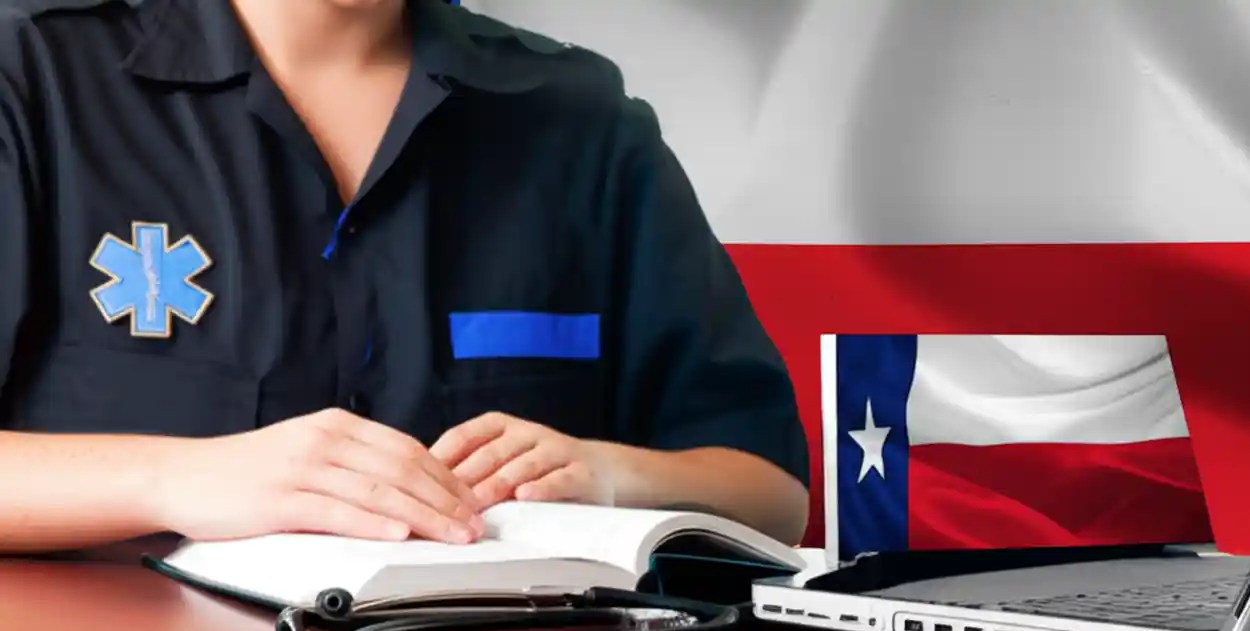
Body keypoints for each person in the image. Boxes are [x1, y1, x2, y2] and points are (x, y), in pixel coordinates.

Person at [0, 0, 810, 554]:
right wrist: (179, 480)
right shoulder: (33, 77)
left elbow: (773, 495)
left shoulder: (582, 122)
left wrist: (609, 474)